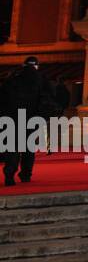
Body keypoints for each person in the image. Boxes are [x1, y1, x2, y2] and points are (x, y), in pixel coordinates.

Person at [1, 57, 59, 186]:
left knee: (13, 147)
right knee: (29, 148)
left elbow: (3, 99)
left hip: (13, 118)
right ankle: (26, 174)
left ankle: (9, 175)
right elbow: (50, 99)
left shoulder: (13, 79)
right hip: (33, 118)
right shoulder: (42, 80)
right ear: (36, 66)